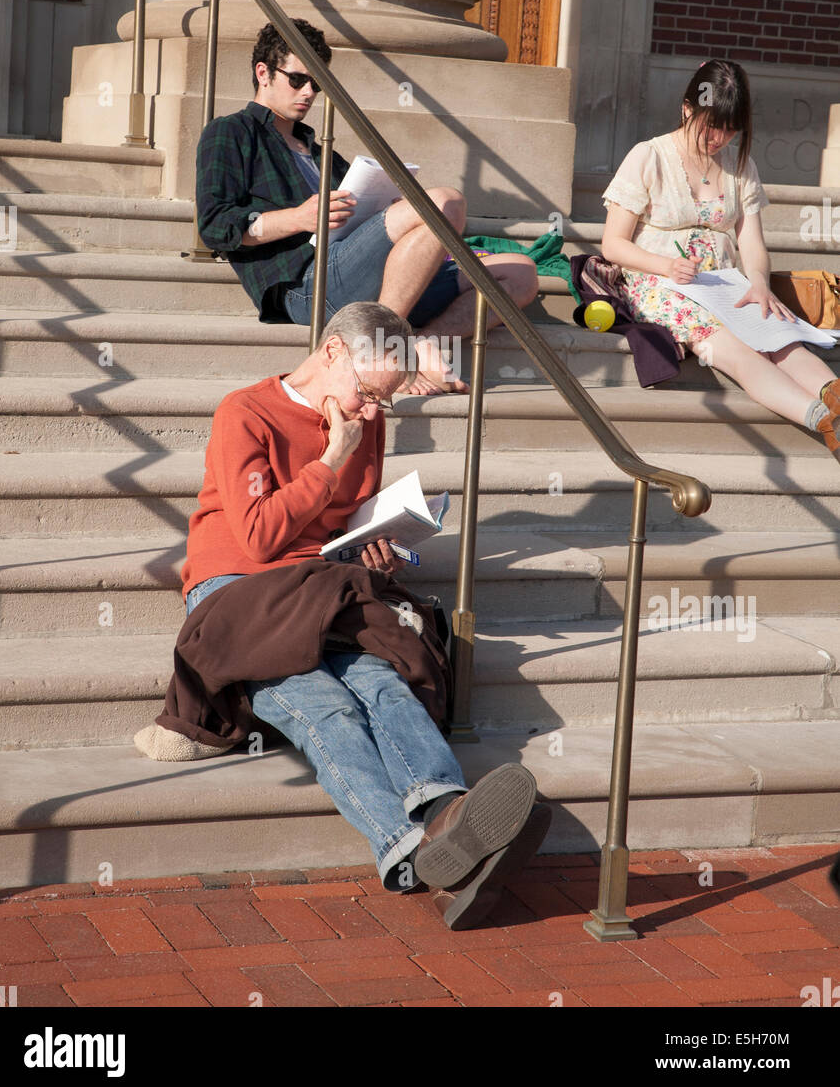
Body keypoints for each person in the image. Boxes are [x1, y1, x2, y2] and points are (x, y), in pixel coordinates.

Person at [136, 302, 551, 930]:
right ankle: (409, 852)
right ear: (331, 353)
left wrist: (374, 545)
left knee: (381, 681)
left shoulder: (365, 421)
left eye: (384, 401)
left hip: (327, 584)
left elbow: (342, 521)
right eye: (366, 392)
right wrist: (331, 458)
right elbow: (259, 536)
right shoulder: (245, 412)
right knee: (322, 704)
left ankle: (446, 812)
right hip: (242, 592)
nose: (371, 412)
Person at [195, 20, 539, 395]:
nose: (309, 93)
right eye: (298, 80)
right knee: (445, 202)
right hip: (308, 283)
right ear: (263, 72)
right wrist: (298, 218)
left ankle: (420, 344)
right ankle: (379, 352)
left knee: (520, 273)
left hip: (369, 277)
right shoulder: (231, 132)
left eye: (318, 83)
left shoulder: (321, 151)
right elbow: (214, 226)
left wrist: (391, 209)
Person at [600, 58, 840, 456]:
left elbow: (752, 243)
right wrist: (666, 266)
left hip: (722, 282)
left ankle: (835, 397)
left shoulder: (740, 165)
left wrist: (760, 284)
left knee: (779, 335)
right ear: (687, 109)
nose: (719, 138)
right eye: (711, 125)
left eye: (730, 130)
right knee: (736, 350)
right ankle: (826, 423)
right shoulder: (649, 156)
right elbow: (613, 244)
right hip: (661, 282)